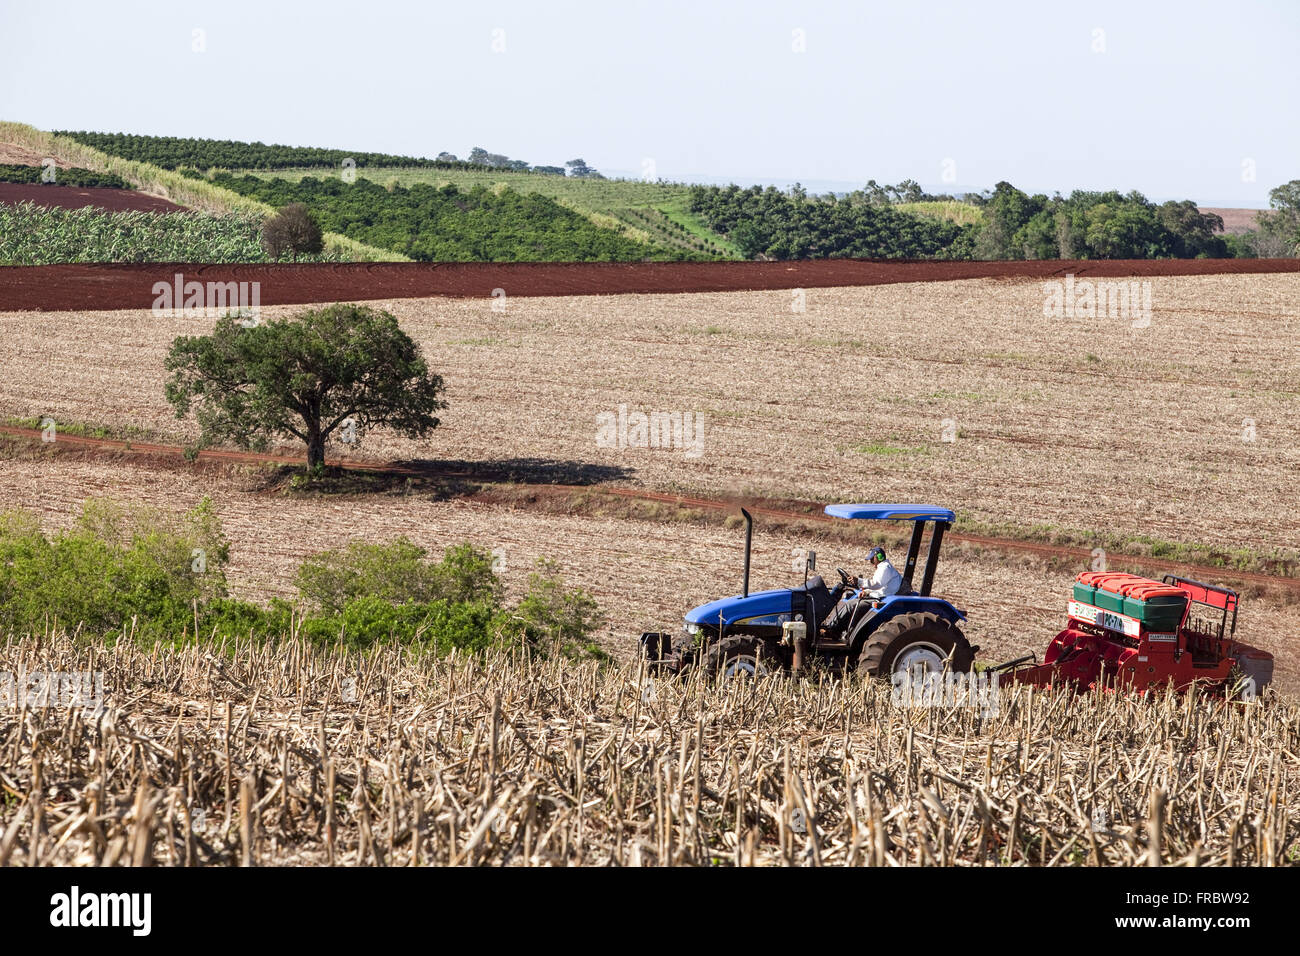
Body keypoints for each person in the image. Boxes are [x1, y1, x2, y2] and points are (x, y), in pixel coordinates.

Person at [819, 547, 903, 638]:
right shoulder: (883, 567)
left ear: (879, 557)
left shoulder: (885, 568)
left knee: (851, 604)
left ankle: (833, 630)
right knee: (849, 600)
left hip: (883, 599)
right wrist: (866, 591)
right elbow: (881, 587)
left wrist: (858, 581)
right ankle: (836, 628)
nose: (871, 562)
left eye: (872, 559)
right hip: (881, 595)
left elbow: (876, 584)